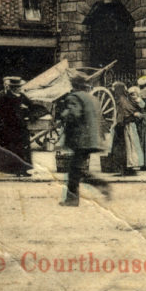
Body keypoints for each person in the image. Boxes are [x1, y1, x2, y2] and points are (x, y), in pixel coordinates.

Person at [54, 72, 112, 206]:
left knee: (74, 171)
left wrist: (63, 115)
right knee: (77, 169)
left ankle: (74, 199)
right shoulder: (92, 98)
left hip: (80, 139)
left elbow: (74, 114)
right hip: (92, 139)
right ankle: (98, 187)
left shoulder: (73, 97)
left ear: (74, 85)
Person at [0, 76, 43, 176]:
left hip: (20, 127)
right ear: (13, 88)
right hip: (10, 128)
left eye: (19, 87)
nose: (19, 88)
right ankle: (18, 170)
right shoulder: (6, 98)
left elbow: (32, 107)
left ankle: (23, 169)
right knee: (14, 149)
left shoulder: (22, 96)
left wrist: (28, 111)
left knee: (23, 148)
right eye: (18, 87)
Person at [106, 81, 142, 176]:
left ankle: (124, 169)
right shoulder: (123, 98)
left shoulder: (121, 99)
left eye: (114, 90)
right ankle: (127, 168)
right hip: (124, 125)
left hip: (123, 126)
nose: (113, 92)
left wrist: (119, 123)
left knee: (123, 148)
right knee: (127, 148)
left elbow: (125, 112)